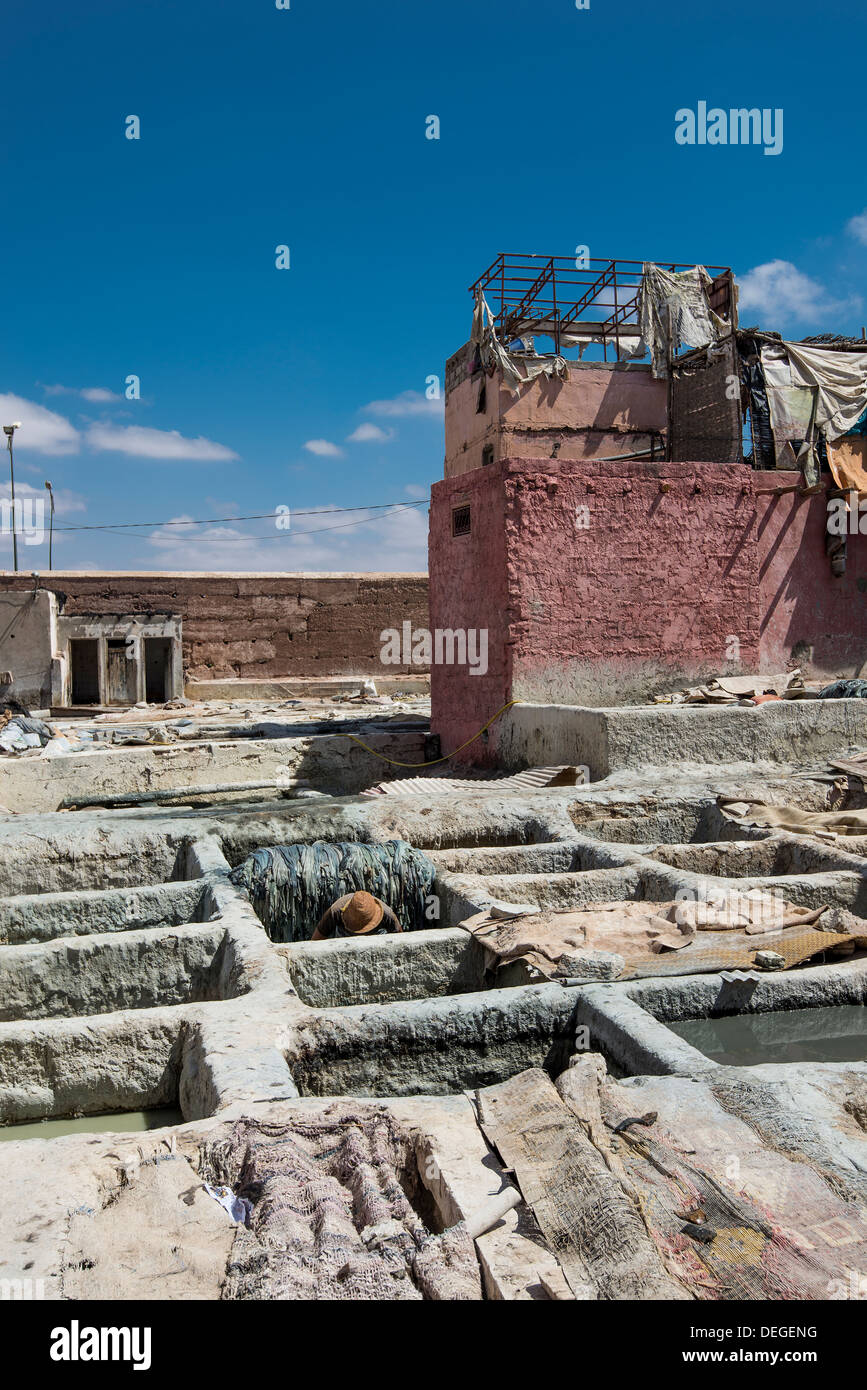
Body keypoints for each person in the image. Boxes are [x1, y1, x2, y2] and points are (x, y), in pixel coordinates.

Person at [310, 889, 402, 940]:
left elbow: (400, 938)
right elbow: (317, 939)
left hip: (375, 938)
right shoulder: (336, 911)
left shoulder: (387, 914)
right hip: (345, 940)